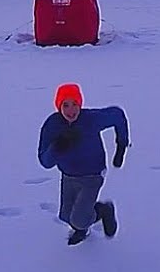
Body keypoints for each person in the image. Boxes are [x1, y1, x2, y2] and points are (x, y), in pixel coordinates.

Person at [37, 82, 130, 246]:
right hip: (68, 175)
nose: (71, 110)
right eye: (66, 105)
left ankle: (103, 211)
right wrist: (58, 147)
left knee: (79, 219)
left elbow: (117, 115)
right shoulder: (52, 125)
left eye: (75, 104)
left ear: (80, 104)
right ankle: (83, 228)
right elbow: (45, 162)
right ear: (58, 106)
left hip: (92, 174)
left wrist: (121, 147)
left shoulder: (90, 119)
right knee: (66, 216)